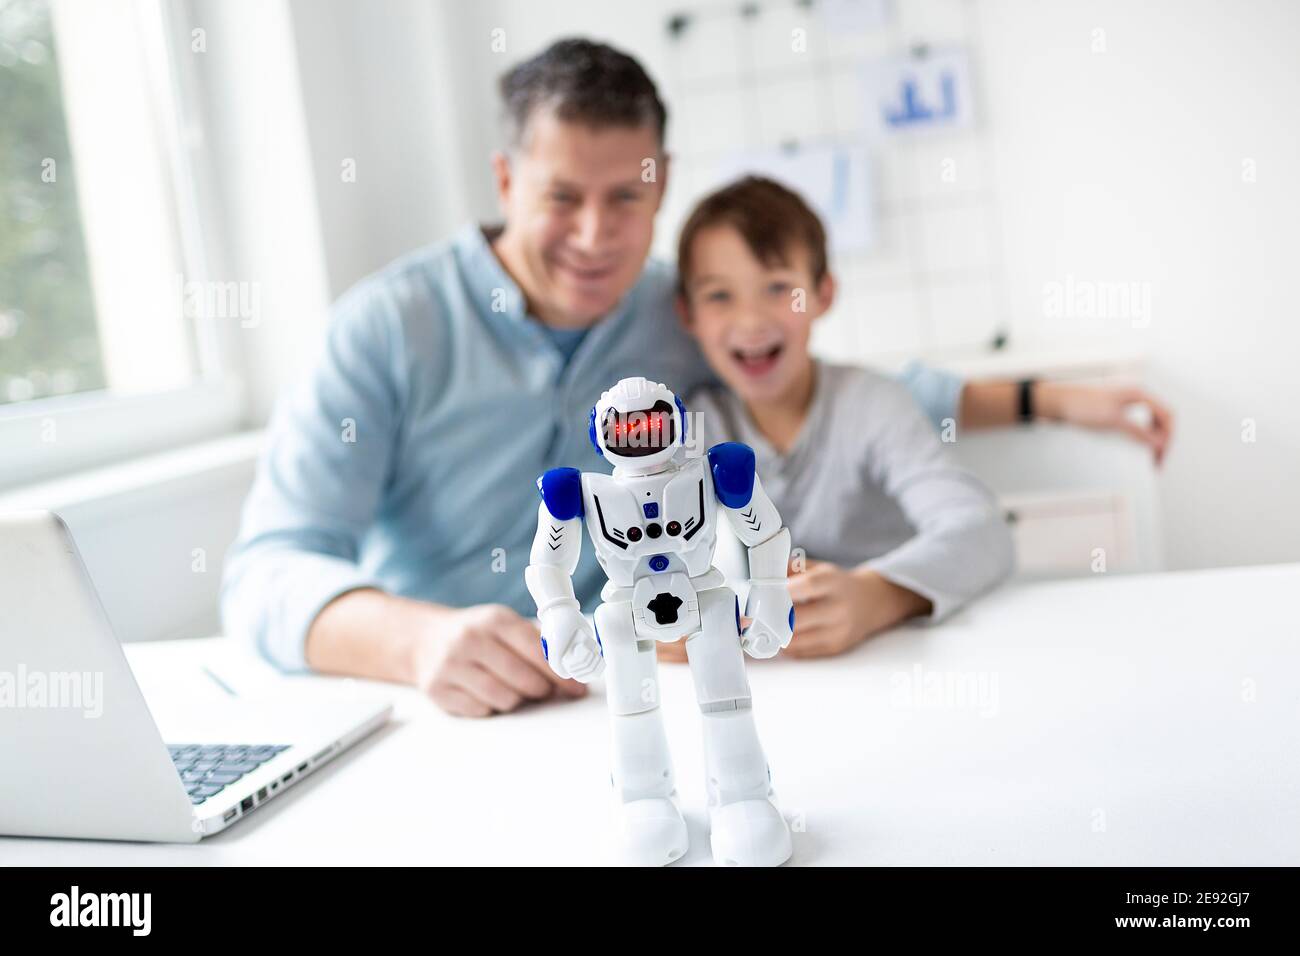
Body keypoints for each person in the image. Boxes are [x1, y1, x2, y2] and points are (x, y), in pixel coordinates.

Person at [221, 38, 1173, 717]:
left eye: (626, 198)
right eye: (562, 197)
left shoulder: (686, 309)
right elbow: (266, 575)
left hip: (642, 690)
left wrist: (1052, 398)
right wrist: (420, 641)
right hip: (445, 709)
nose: (595, 237)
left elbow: (850, 391)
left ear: (661, 183)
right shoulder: (384, 329)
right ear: (507, 181)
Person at [662, 176, 1012, 665]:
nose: (751, 321)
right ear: (687, 313)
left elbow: (981, 531)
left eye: (778, 288)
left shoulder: (873, 404)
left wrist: (879, 596)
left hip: (900, 659)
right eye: (720, 296)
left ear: (823, 294)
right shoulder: (687, 432)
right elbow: (659, 563)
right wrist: (668, 621)